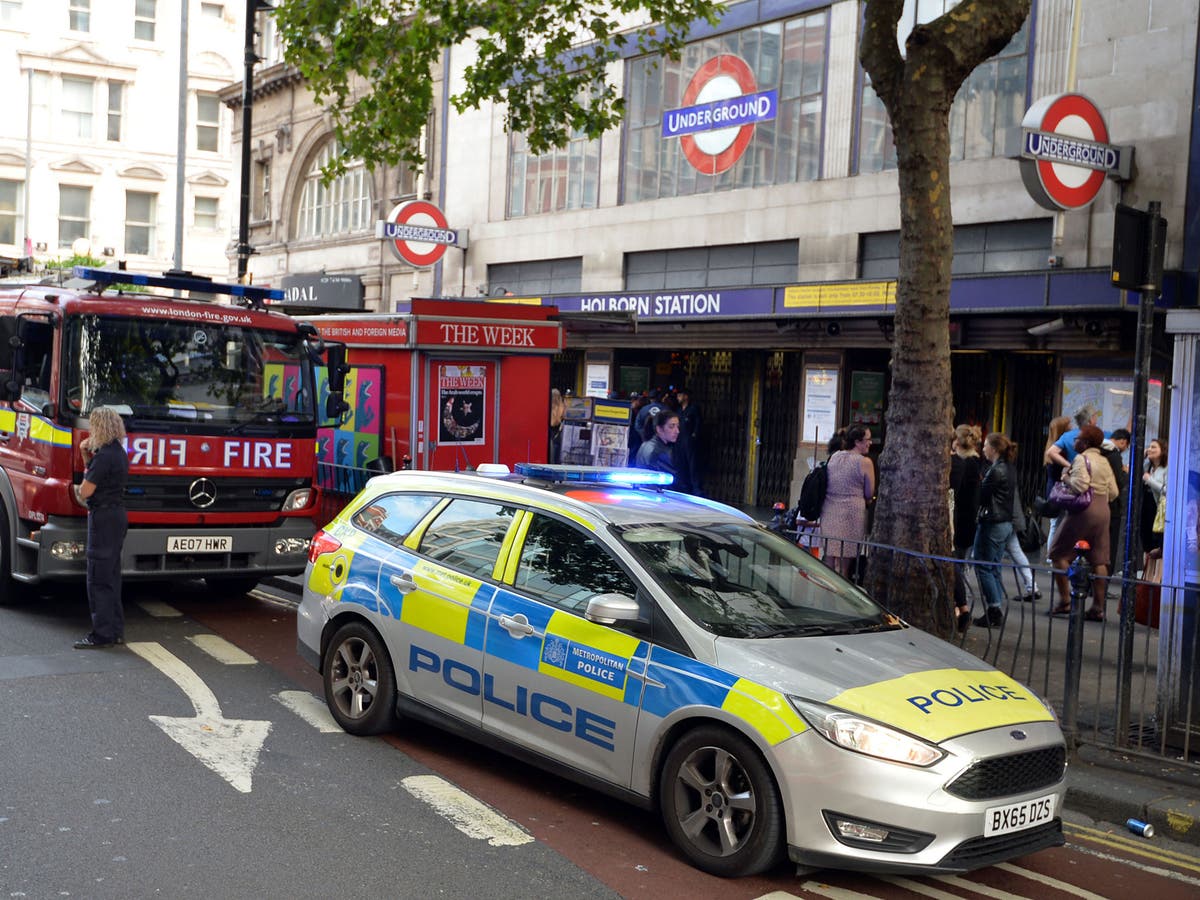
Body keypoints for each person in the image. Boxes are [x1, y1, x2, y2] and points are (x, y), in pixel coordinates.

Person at [1048, 424, 1119, 622]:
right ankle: (1098, 607)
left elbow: (1080, 485)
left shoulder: (1081, 458)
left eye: (1078, 439)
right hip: (1103, 509)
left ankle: (1065, 600)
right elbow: (1114, 492)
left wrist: (1065, 478)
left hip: (1083, 510)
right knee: (1099, 559)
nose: (1075, 442)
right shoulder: (1104, 461)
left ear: (1085, 442)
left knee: (1058, 552)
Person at [73, 407, 130, 649]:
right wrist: (87, 455)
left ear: (100, 427)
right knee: (111, 576)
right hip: (117, 516)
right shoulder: (118, 453)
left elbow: (86, 491)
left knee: (98, 577)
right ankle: (115, 630)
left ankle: (102, 634)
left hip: (102, 518)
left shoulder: (105, 455)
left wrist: (79, 487)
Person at [820, 425, 874, 579]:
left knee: (829, 560)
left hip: (830, 511)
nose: (870, 443)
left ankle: (826, 594)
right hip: (852, 514)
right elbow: (869, 493)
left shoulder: (835, 456)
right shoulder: (865, 462)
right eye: (868, 440)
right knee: (844, 566)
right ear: (858, 442)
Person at [949, 424, 983, 630]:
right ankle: (960, 606)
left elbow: (958, 493)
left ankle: (960, 606)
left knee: (956, 562)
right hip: (968, 516)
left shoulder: (960, 463)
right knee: (958, 561)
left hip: (960, 517)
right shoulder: (977, 461)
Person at [634, 409, 691, 492]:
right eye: (671, 427)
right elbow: (676, 482)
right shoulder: (659, 452)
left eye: (677, 426)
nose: (677, 431)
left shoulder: (646, 444)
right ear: (659, 429)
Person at [1041, 415, 1072, 556]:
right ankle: (1052, 554)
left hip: (1053, 490)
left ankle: (1051, 554)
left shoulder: (1051, 446)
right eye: (1069, 425)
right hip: (1060, 491)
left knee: (1056, 524)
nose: (1072, 427)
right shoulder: (1061, 451)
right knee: (1057, 524)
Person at [1101, 428, 1130, 573]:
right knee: (1109, 547)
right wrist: (1126, 472)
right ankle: (1103, 585)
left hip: (1095, 504)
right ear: (1123, 441)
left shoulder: (1096, 451)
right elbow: (1119, 481)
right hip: (1112, 507)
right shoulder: (1114, 454)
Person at [1140, 437, 1168, 558]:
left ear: (1163, 451)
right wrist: (1142, 457)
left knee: (1158, 544)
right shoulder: (1148, 467)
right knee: (1146, 541)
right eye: (1149, 447)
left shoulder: (1167, 469)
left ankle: (1157, 575)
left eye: (1154, 447)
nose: (1150, 449)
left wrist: (1150, 480)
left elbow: (1167, 490)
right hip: (1146, 507)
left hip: (1159, 510)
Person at [675, 386, 703, 494]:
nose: (678, 398)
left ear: (685, 396)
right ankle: (683, 486)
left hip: (689, 441)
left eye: (679, 395)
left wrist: (694, 435)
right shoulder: (678, 410)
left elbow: (698, 423)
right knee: (681, 463)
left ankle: (696, 488)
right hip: (679, 440)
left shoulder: (693, 409)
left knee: (692, 464)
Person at [548, 388, 565, 464]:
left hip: (550, 432)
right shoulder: (561, 406)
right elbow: (563, 417)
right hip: (557, 432)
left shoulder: (548, 404)